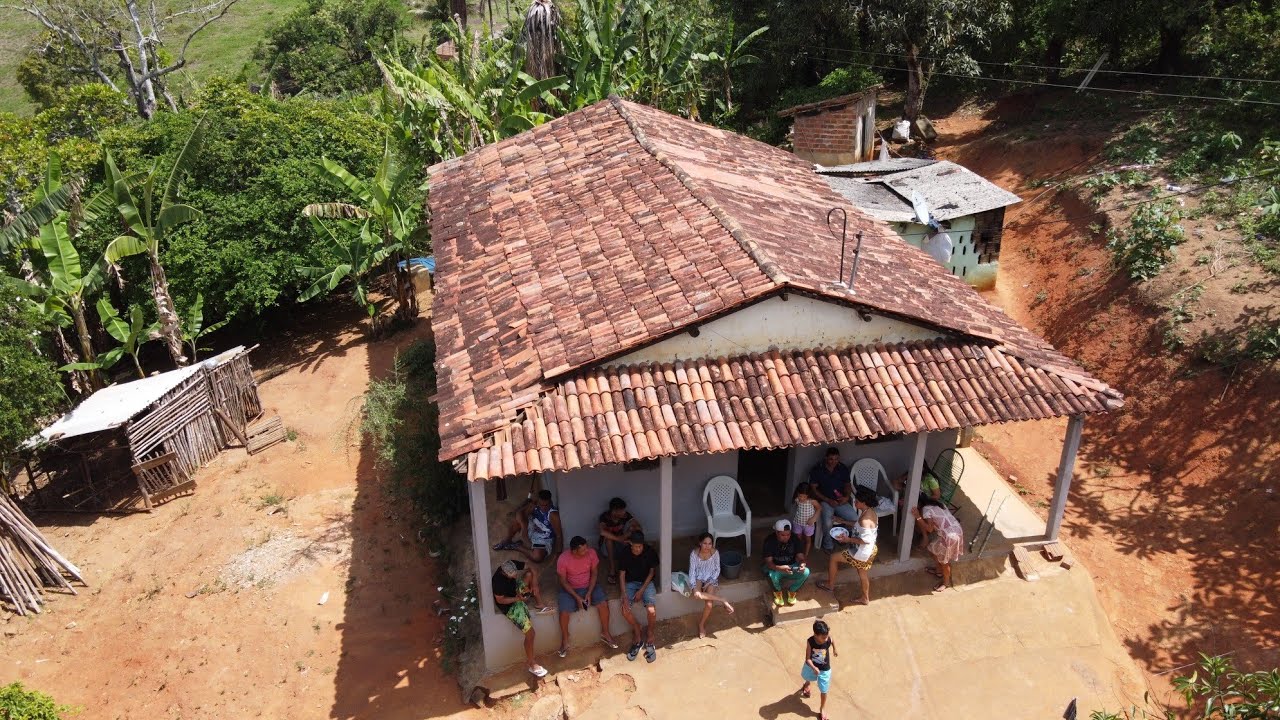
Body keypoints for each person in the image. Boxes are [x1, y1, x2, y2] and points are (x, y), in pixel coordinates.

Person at [555, 535, 619, 656]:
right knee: (564, 612)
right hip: (570, 589)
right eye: (583, 550)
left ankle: (605, 633)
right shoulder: (563, 559)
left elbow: (594, 573)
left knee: (603, 603)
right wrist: (577, 597)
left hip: (589, 585)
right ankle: (565, 640)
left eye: (586, 548)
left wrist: (589, 593)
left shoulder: (591, 553)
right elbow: (563, 581)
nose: (586, 551)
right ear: (574, 551)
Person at [816, 487, 880, 605]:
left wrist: (848, 539)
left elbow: (865, 540)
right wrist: (843, 521)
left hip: (861, 552)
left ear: (864, 502)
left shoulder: (865, 520)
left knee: (834, 558)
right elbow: (858, 526)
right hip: (870, 550)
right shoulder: (871, 512)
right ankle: (865, 598)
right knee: (862, 574)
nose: (854, 502)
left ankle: (830, 585)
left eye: (857, 501)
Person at [491, 559, 553, 678]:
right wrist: (518, 599)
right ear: (504, 573)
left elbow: (532, 567)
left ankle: (540, 604)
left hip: (515, 591)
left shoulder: (511, 564)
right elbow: (500, 600)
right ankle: (532, 664)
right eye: (512, 574)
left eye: (515, 572)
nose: (515, 575)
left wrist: (534, 584)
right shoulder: (497, 582)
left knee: (530, 574)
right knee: (530, 634)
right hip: (510, 605)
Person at [618, 531, 660, 663]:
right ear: (630, 544)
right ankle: (637, 629)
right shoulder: (625, 552)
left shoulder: (650, 552)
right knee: (625, 610)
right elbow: (622, 575)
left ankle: (650, 633)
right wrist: (624, 596)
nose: (637, 549)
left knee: (651, 610)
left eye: (640, 547)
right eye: (635, 546)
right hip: (630, 583)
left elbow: (652, 572)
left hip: (646, 583)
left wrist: (642, 590)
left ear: (643, 545)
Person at [493, 490, 562, 563]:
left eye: (546, 505)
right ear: (538, 501)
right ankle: (506, 541)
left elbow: (558, 535)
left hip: (544, 538)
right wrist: (524, 529)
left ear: (550, 501)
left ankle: (516, 546)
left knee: (537, 557)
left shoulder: (553, 515)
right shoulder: (535, 504)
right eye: (541, 504)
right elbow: (520, 514)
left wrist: (558, 553)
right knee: (516, 521)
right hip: (532, 528)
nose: (543, 508)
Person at [912, 497, 964, 593]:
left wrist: (918, 516)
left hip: (950, 536)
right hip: (956, 530)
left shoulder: (926, 510)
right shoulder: (940, 504)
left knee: (945, 562)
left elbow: (929, 529)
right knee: (932, 549)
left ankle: (946, 583)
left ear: (920, 504)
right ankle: (939, 571)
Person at [688, 532, 735, 638]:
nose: (707, 546)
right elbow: (692, 572)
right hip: (698, 577)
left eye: (710, 543)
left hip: (711, 577)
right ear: (700, 543)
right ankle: (722, 599)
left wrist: (710, 581)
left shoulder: (715, 553)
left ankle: (701, 625)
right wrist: (694, 586)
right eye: (705, 543)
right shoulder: (694, 554)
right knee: (697, 595)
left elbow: (717, 569)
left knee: (709, 604)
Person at [809, 447, 856, 551]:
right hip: (825, 501)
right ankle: (827, 544)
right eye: (831, 459)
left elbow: (848, 485)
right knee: (827, 522)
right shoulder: (818, 469)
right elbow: (813, 489)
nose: (834, 462)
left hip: (840, 500)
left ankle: (844, 537)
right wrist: (827, 500)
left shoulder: (842, 468)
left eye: (836, 459)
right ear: (826, 458)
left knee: (854, 517)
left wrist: (846, 497)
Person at [763, 519, 809, 606]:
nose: (786, 537)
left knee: (806, 572)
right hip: (776, 567)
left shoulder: (795, 539)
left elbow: (801, 557)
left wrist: (802, 564)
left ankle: (792, 591)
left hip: (792, 566)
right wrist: (779, 568)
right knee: (771, 575)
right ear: (776, 532)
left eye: (788, 534)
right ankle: (778, 592)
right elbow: (769, 563)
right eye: (783, 535)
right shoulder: (769, 541)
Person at [798, 619, 837, 720]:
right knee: (808, 676)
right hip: (812, 666)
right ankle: (807, 684)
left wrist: (834, 649)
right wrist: (813, 667)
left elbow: (832, 640)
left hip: (825, 669)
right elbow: (807, 659)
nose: (826, 639)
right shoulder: (810, 641)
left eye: (827, 636)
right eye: (823, 637)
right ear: (815, 635)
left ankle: (822, 708)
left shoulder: (827, 639)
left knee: (824, 690)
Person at [598, 497, 642, 585]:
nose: (624, 512)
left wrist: (631, 531)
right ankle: (612, 570)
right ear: (614, 511)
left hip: (621, 544)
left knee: (633, 529)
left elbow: (638, 527)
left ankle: (629, 569)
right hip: (606, 549)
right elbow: (602, 532)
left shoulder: (626, 516)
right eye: (621, 510)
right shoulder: (605, 516)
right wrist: (619, 539)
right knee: (608, 539)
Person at [791, 483, 821, 556]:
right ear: (797, 493)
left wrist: (813, 518)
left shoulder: (812, 501)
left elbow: (819, 508)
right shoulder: (796, 499)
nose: (801, 498)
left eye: (804, 496)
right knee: (798, 539)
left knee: (808, 539)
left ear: (809, 494)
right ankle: (799, 552)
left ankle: (806, 554)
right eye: (800, 496)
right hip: (797, 522)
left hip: (808, 525)